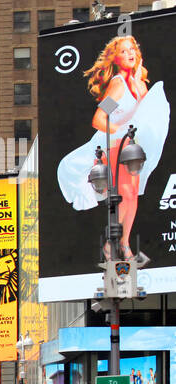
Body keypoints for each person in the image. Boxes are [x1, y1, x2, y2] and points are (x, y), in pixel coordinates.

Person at [56, 35, 170, 259]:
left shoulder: (138, 81)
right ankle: (111, 244)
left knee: (133, 196)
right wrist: (120, 129)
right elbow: (99, 119)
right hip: (114, 143)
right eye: (124, 51)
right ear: (115, 58)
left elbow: (146, 113)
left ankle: (124, 244)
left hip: (131, 144)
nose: (130, 53)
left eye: (133, 49)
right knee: (126, 193)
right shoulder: (118, 84)